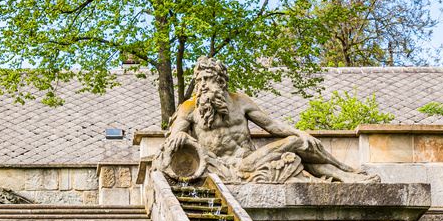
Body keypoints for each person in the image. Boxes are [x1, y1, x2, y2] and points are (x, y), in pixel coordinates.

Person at [161, 57, 378, 183]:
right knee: (294, 143)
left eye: (208, 79)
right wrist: (180, 134)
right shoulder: (189, 108)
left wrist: (301, 132)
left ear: (221, 80)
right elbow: (171, 140)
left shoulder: (241, 102)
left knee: (300, 143)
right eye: (200, 80)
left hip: (249, 160)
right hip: (223, 167)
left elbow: (272, 126)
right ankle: (345, 173)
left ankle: (344, 172)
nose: (204, 85)